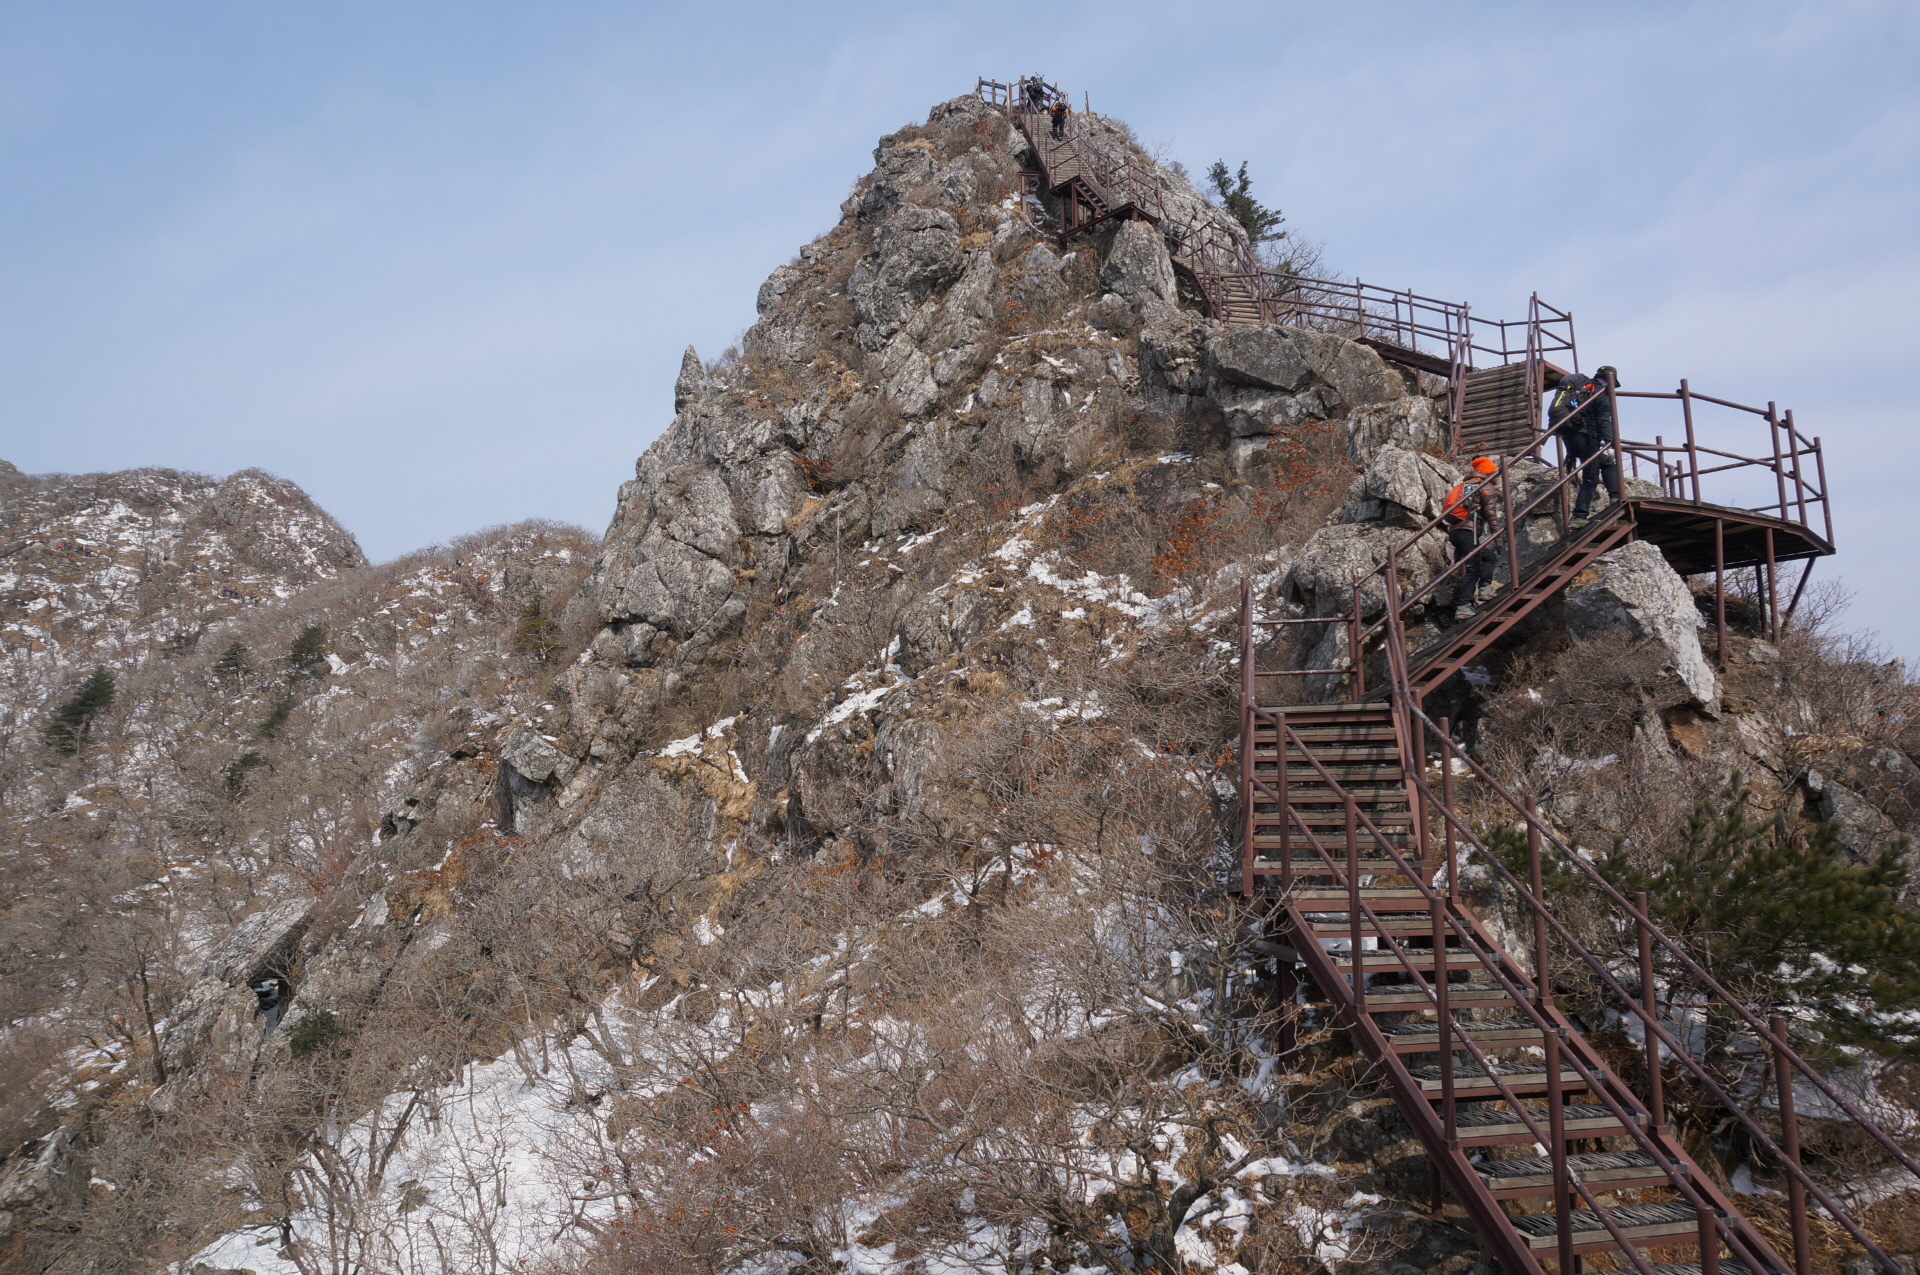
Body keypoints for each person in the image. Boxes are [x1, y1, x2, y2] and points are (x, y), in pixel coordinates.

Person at [1443, 456, 1505, 613]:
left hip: (1455, 532)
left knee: (1488, 557)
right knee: (1473, 569)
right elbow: (1491, 516)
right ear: (1490, 473)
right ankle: (1463, 606)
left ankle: (1483, 590)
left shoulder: (1464, 486)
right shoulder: (1486, 486)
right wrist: (1498, 540)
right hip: (1468, 532)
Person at [1562, 365, 1622, 524]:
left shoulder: (1582, 388)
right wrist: (1611, 442)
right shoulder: (1600, 391)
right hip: (1586, 436)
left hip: (1569, 436)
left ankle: (1616, 496)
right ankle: (1579, 516)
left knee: (1606, 462)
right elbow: (1603, 418)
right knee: (1591, 477)